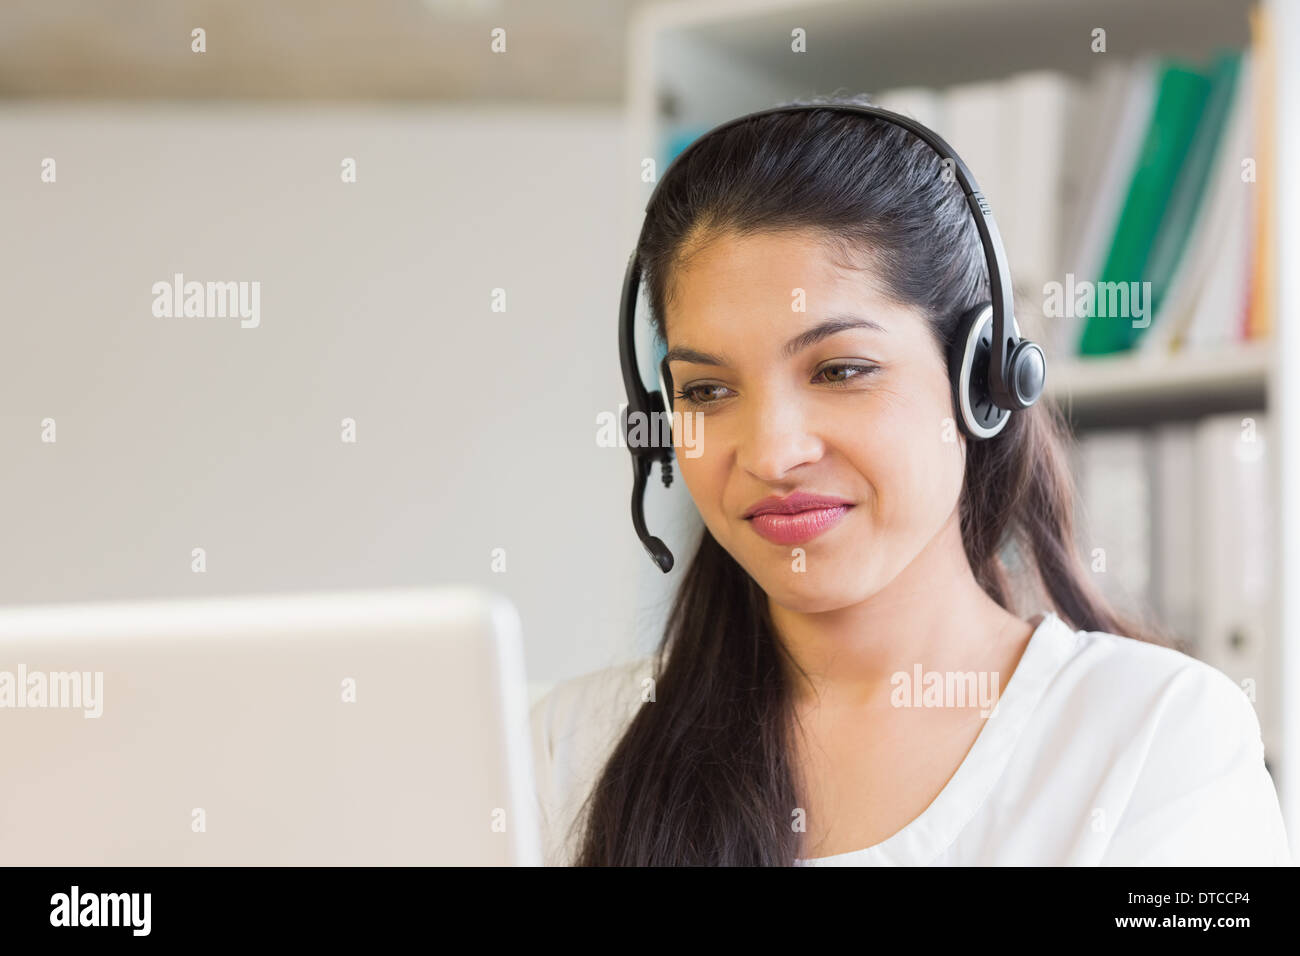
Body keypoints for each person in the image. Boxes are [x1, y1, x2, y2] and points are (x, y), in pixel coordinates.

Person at [530, 93, 1291, 866]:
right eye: (707, 391)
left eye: (839, 370)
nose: (771, 453)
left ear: (981, 382)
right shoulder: (565, 751)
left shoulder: (1159, 740)